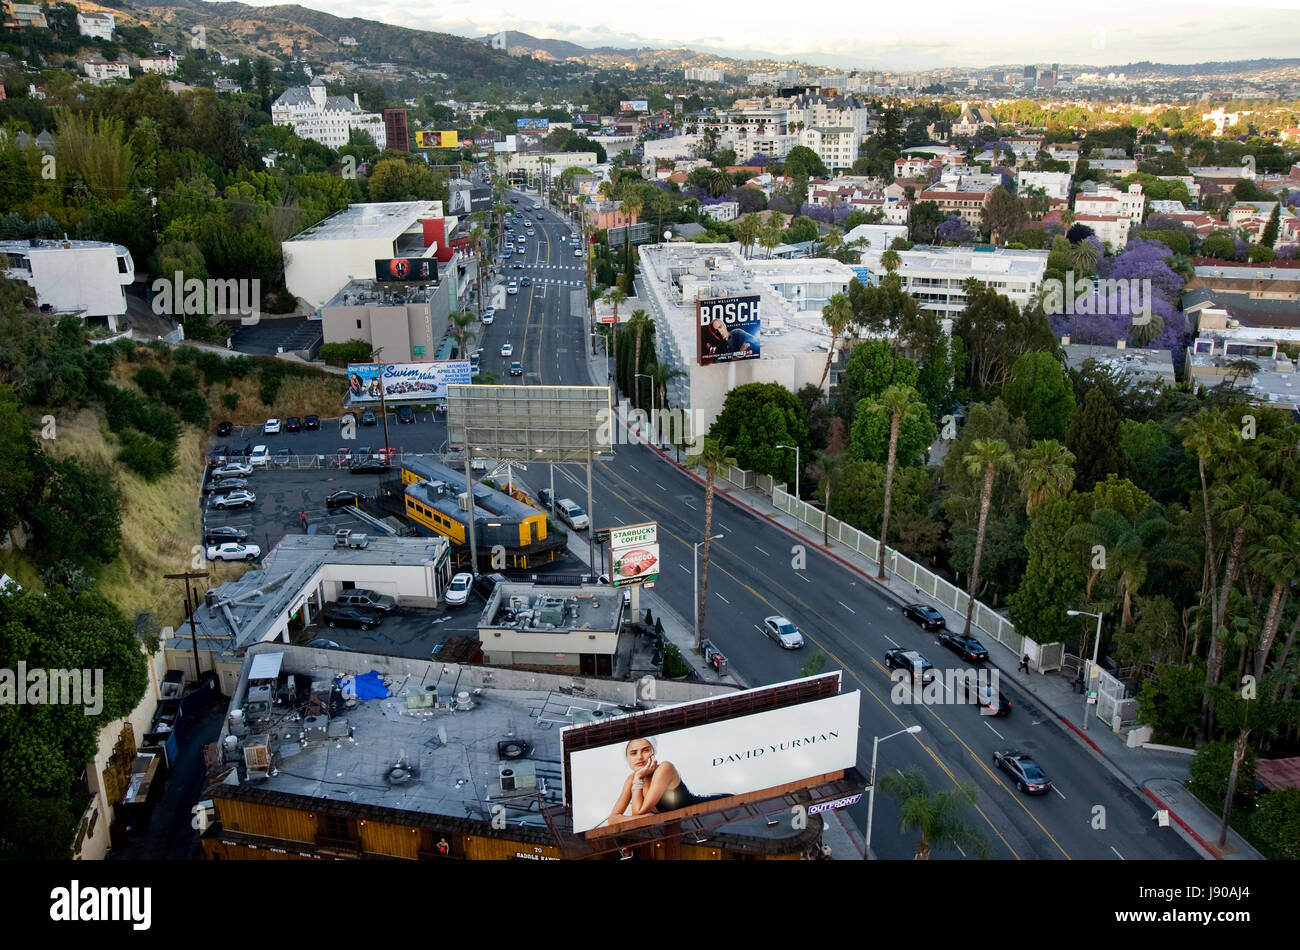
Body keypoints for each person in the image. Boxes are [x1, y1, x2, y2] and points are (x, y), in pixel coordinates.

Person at [603, 736, 724, 827]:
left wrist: (639, 777)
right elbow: (612, 819)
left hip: (713, 810)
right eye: (633, 753)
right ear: (627, 758)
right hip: (687, 825)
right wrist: (647, 817)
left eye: (645, 750)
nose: (639, 757)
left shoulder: (665, 768)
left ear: (653, 753)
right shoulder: (631, 779)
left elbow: (638, 813)